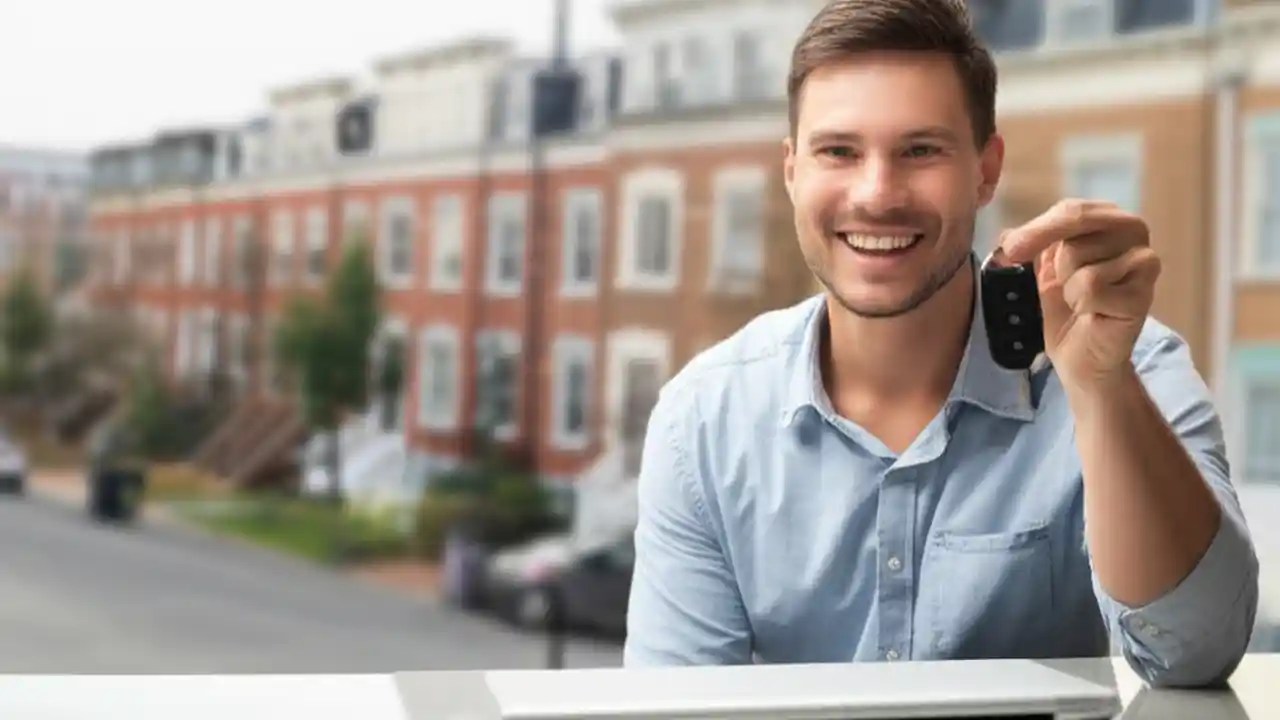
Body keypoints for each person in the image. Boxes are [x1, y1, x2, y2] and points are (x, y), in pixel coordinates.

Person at [622, 0, 1259, 688]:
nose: (877, 194)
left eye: (921, 150)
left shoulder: (1127, 364)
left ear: (986, 171)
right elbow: (673, 704)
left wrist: (1102, 389)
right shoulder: (702, 422)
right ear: (792, 171)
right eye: (839, 152)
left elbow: (1196, 652)